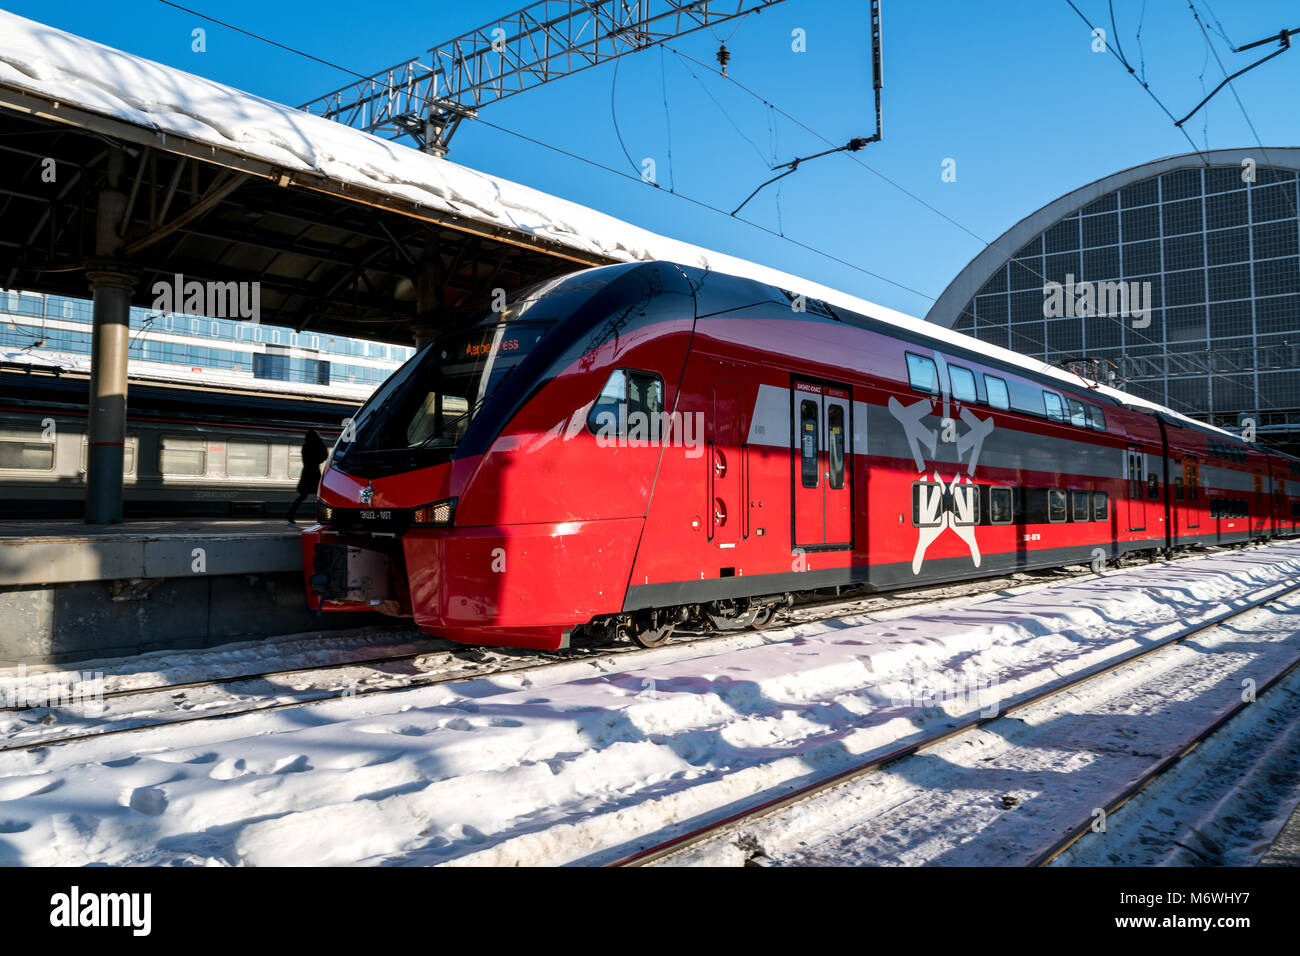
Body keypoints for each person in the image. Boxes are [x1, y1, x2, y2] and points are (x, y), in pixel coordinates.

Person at [287, 429, 329, 524]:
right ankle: (324, 515)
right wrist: (320, 441)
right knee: (321, 495)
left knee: (303, 496)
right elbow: (323, 456)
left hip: (306, 473)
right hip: (313, 473)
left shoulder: (305, 447)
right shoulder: (315, 447)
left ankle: (290, 514)